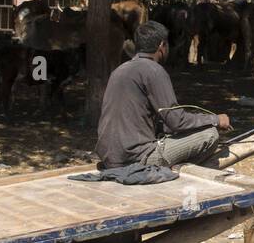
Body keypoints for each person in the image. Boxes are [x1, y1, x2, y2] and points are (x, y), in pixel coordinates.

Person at [95, 20, 231, 169]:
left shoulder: (120, 70)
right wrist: (216, 120)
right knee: (209, 135)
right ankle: (177, 171)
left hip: (109, 157)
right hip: (136, 158)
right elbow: (176, 121)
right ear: (161, 46)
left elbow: (160, 120)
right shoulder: (154, 70)